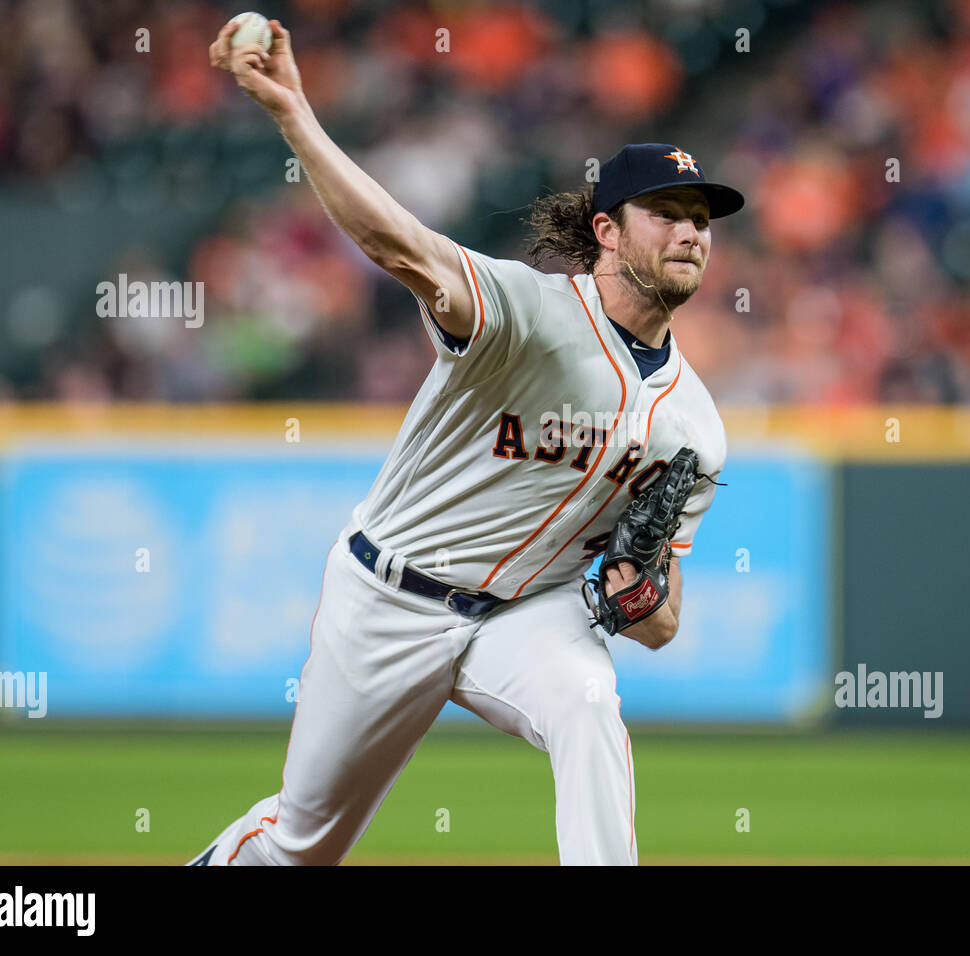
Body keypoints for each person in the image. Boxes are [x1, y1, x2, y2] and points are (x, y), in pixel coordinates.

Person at [191, 17, 742, 866]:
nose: (691, 231)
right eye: (666, 212)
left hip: (526, 615)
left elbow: (662, 624)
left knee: (590, 700)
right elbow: (392, 243)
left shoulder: (695, 425)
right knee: (303, 843)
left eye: (702, 217)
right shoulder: (524, 310)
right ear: (606, 231)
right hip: (390, 598)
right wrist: (296, 115)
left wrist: (644, 592)